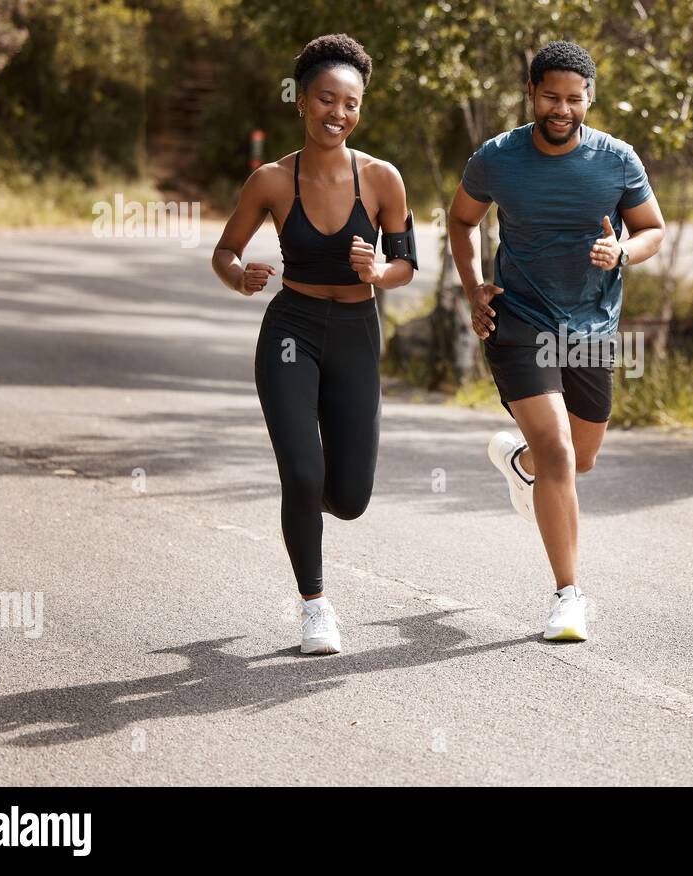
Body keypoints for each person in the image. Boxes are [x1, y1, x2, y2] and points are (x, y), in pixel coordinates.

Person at [447, 40, 666, 642]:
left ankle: (521, 465)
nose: (562, 108)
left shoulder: (617, 160)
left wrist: (623, 250)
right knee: (560, 453)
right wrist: (474, 288)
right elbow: (462, 219)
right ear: (531, 95)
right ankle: (568, 597)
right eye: (551, 96)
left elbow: (652, 230)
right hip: (519, 322)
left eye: (574, 98)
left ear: (589, 98)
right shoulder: (497, 158)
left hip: (591, 328)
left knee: (581, 458)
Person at [211, 33, 418, 655]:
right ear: (301, 102)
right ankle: (314, 606)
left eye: (350, 103)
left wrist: (378, 272)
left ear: (360, 109)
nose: (338, 113)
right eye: (326, 99)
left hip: (356, 332)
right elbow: (225, 250)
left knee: (348, 498)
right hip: (290, 331)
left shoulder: (382, 180)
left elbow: (407, 263)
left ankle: (311, 501)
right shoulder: (271, 181)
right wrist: (238, 277)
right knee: (302, 473)